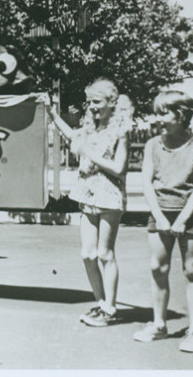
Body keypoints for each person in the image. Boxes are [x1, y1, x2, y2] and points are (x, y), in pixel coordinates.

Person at [46, 78, 133, 326]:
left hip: (109, 197)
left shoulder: (120, 132)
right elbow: (70, 135)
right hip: (86, 194)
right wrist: (52, 113)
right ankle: (101, 303)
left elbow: (120, 168)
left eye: (97, 102)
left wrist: (90, 153)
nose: (93, 107)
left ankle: (111, 308)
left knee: (105, 254)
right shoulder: (88, 130)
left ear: (111, 103)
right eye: (90, 103)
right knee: (87, 254)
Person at [132, 90, 193, 353]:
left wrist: (182, 219)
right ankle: (159, 324)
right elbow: (146, 183)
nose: (157, 118)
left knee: (192, 270)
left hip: (190, 215)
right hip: (160, 213)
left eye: (163, 113)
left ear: (181, 115)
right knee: (157, 267)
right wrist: (162, 217)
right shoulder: (153, 144)